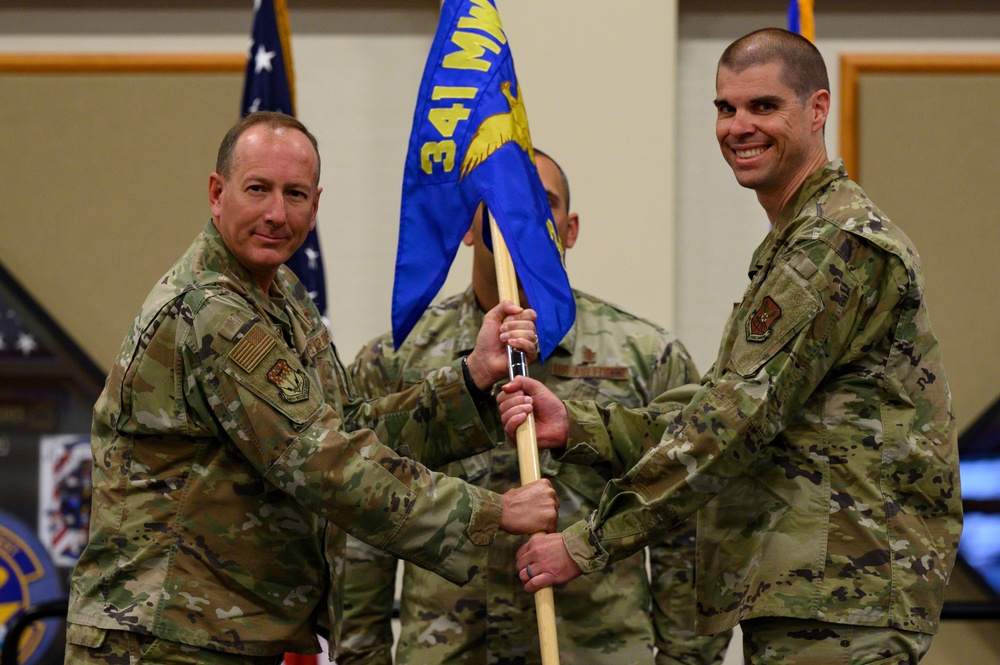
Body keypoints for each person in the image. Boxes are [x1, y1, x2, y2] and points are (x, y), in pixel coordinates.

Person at [499, 29, 962, 665]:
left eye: (764, 106)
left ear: (818, 109)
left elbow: (731, 426)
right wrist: (576, 426)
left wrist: (586, 543)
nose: (738, 126)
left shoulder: (835, 245)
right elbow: (716, 408)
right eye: (726, 108)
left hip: (843, 599)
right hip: (811, 594)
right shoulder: (794, 245)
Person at [64, 111, 560, 665]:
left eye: (295, 194)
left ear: (315, 205)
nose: (277, 214)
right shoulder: (212, 311)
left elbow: (346, 428)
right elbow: (325, 463)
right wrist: (492, 513)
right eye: (259, 189)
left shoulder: (281, 295)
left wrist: (472, 379)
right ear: (216, 193)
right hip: (159, 638)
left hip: (220, 633)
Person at [337, 150, 730, 664]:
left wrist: (684, 659)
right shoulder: (393, 361)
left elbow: (686, 523)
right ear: (467, 226)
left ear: (569, 229)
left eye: (541, 204)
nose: (520, 217)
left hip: (595, 650)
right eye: (498, 203)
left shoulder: (645, 357)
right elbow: (361, 525)